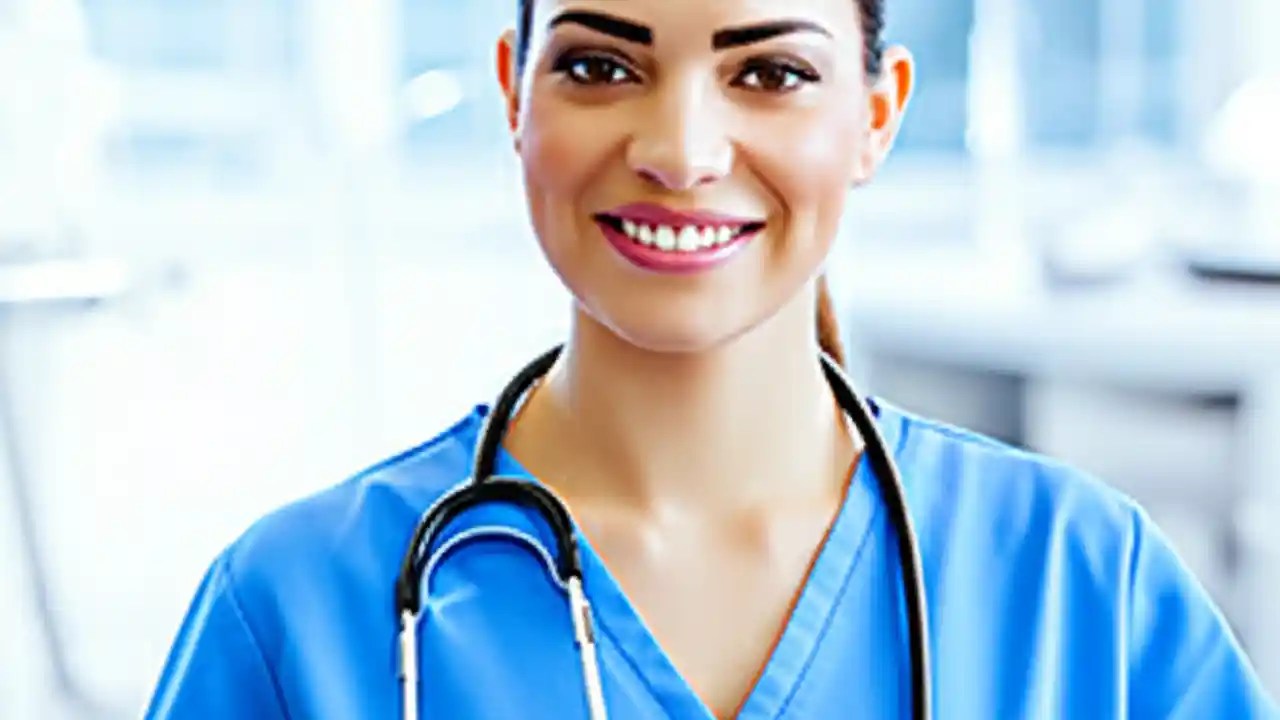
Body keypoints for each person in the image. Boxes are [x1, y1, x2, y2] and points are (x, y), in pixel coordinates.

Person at [144, 0, 1279, 717]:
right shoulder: (297, 611)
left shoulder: (1081, 586)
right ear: (511, 94)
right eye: (600, 67)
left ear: (877, 114)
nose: (680, 152)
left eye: (770, 73)